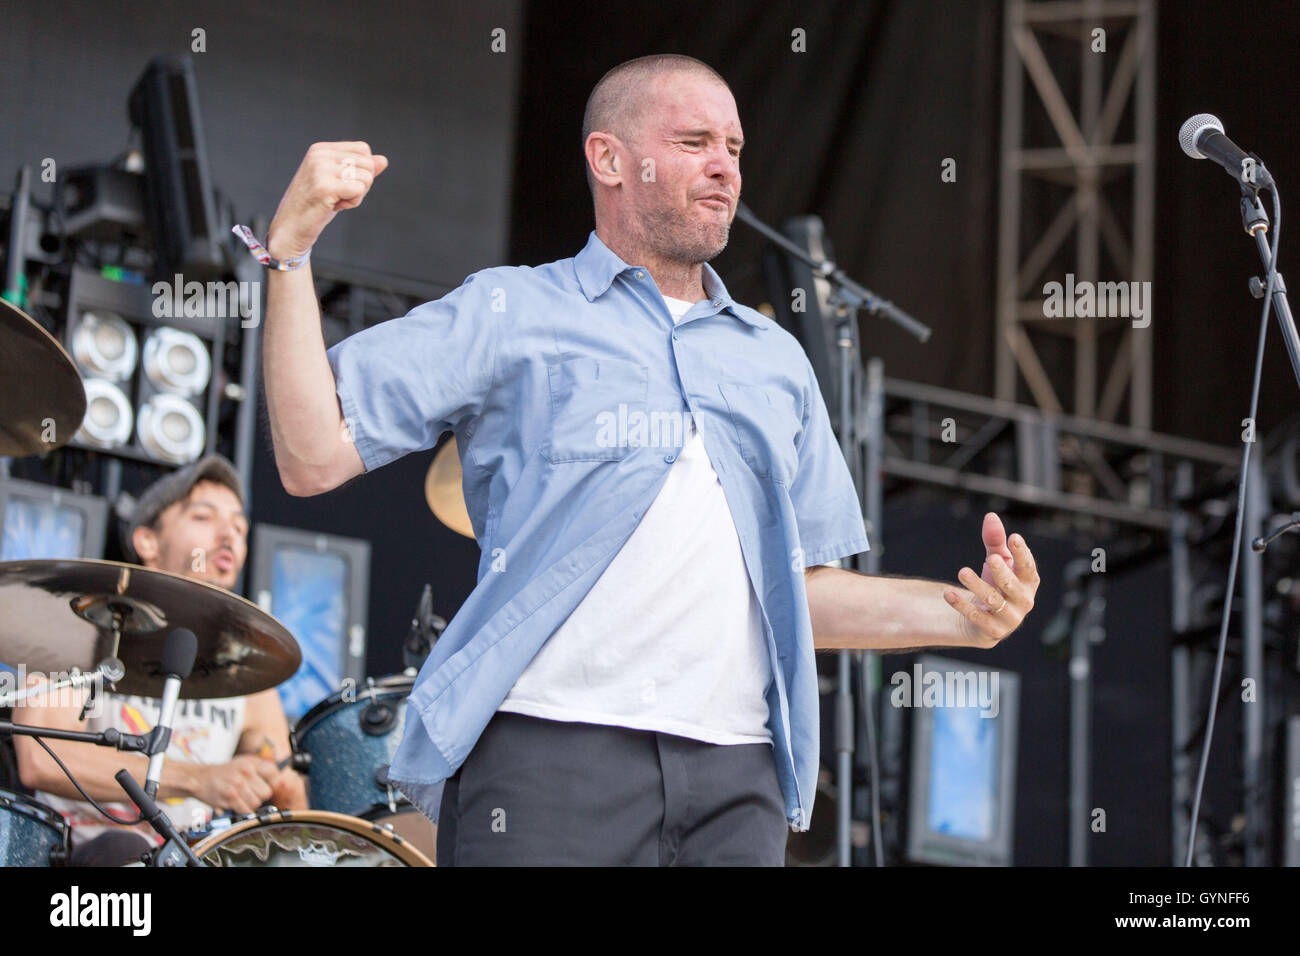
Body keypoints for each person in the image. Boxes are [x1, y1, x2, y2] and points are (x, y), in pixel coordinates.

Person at [255, 54, 1040, 866]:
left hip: (740, 776)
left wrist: (961, 618)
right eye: (696, 140)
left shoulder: (775, 359)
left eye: (734, 148)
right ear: (610, 159)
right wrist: (290, 252)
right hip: (549, 751)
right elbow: (313, 457)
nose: (724, 167)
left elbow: (796, 599)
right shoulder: (513, 308)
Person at [14, 455, 307, 866]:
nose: (229, 535)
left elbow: (278, 782)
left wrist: (285, 794)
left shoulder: (248, 668)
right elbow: (40, 758)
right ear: (147, 541)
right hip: (82, 854)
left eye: (239, 527)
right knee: (127, 852)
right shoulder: (82, 628)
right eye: (204, 517)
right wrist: (199, 779)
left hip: (188, 857)